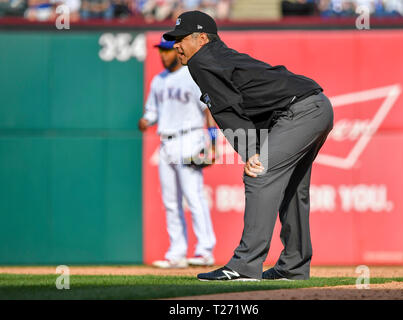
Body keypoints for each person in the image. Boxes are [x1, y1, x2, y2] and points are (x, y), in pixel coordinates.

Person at [163, 10, 334, 280]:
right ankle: (293, 267)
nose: (176, 45)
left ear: (202, 38)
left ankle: (244, 265)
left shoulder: (202, 60)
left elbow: (226, 109)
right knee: (292, 189)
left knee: (258, 174)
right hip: (316, 106)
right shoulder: (218, 55)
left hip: (300, 112)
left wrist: (249, 152)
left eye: (181, 38)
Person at [138, 36, 217, 268]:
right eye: (160, 51)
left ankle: (204, 250)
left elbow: (208, 110)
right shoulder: (158, 81)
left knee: (193, 196)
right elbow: (152, 112)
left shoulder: (191, 76)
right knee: (171, 201)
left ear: (176, 51)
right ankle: (177, 253)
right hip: (167, 141)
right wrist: (146, 120)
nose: (163, 55)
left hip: (190, 137)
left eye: (166, 50)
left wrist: (212, 142)